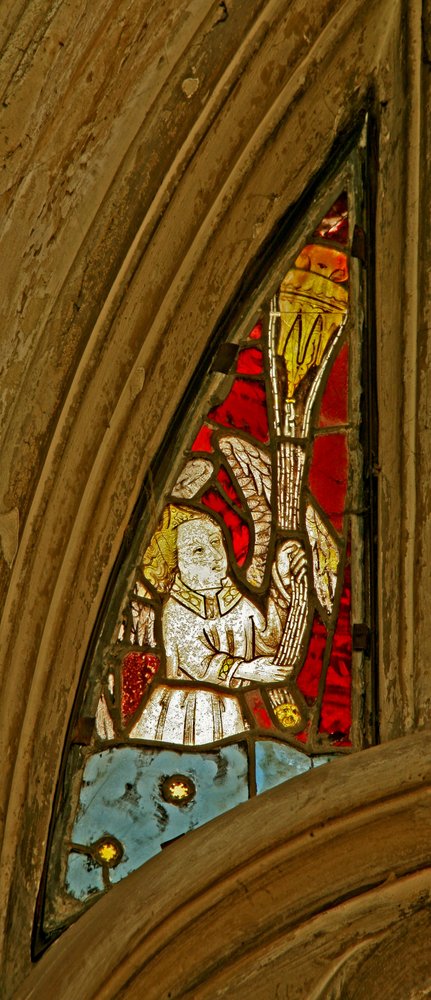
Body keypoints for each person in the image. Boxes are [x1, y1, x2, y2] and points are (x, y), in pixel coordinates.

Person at [129, 505, 307, 745]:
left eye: (215, 543)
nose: (214, 556)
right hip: (185, 713)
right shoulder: (175, 610)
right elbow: (196, 661)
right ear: (175, 564)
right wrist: (248, 671)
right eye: (198, 550)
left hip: (232, 710)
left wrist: (281, 582)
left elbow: (267, 641)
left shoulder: (235, 600)